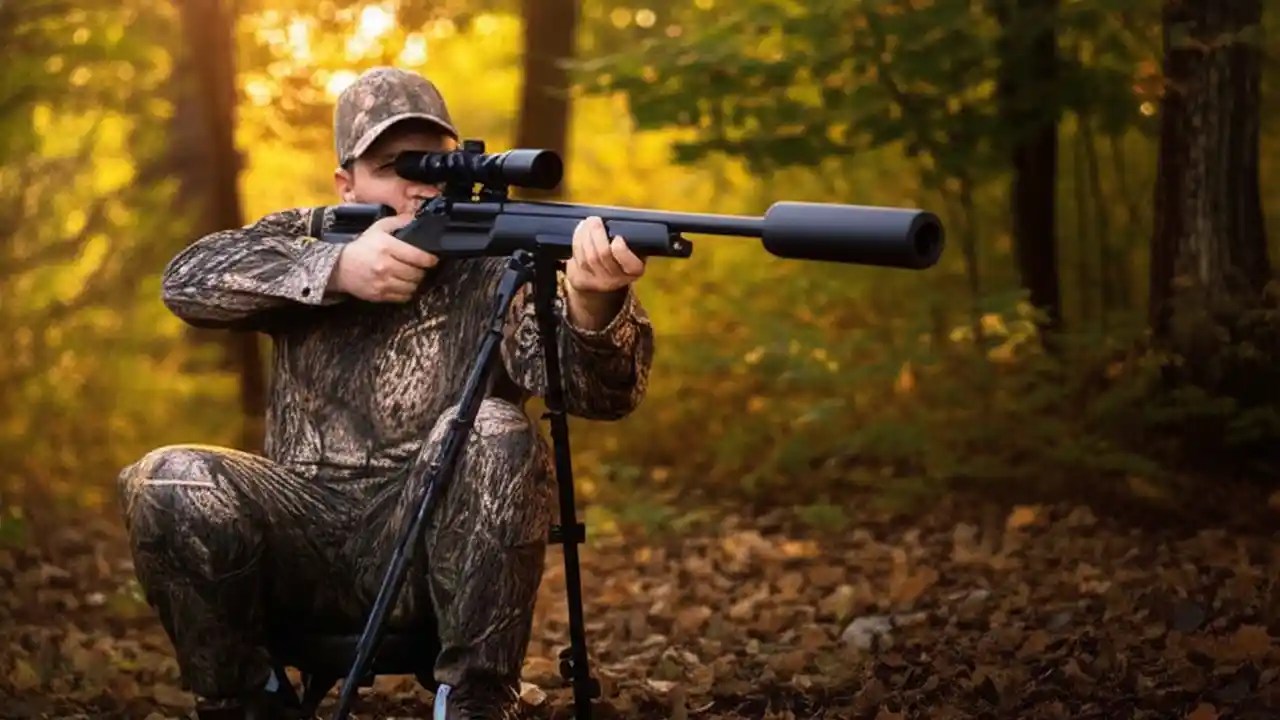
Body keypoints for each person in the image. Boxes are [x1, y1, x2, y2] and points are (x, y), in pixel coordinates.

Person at [115, 66, 655, 720]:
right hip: (301, 540)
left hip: (436, 553)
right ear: (346, 183)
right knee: (166, 479)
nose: (421, 182)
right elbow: (186, 281)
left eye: (436, 162)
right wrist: (338, 268)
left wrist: (594, 305)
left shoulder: (498, 262)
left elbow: (600, 398)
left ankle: (474, 701)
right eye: (394, 165)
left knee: (496, 427)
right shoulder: (309, 236)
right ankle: (248, 700)